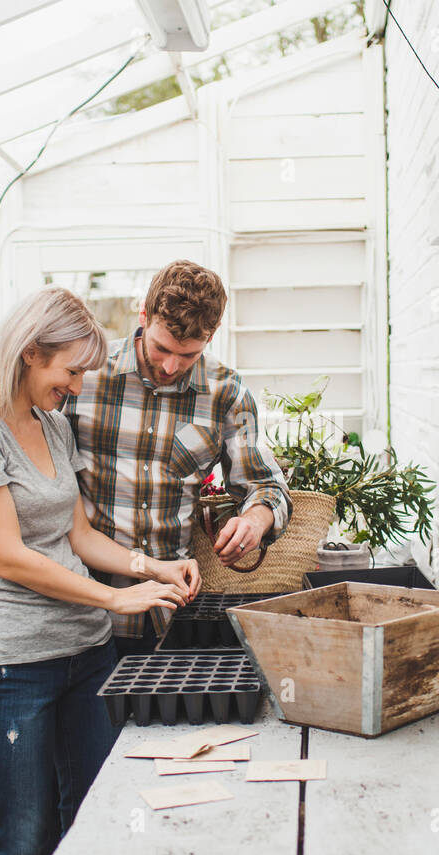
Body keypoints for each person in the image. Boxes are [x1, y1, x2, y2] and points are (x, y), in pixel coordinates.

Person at [0, 286, 200, 855]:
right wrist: (115, 597)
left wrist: (149, 566)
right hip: (13, 668)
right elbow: (10, 557)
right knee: (25, 841)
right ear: (30, 351)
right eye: (71, 370)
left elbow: (78, 535)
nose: (78, 388)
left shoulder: (52, 425)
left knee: (92, 823)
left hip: (87, 655)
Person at [64, 260, 292, 655]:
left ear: (212, 333)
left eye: (187, 355)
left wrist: (255, 521)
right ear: (143, 315)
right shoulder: (85, 377)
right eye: (161, 348)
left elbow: (266, 485)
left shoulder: (225, 393)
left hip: (169, 617)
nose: (170, 366)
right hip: (85, 614)